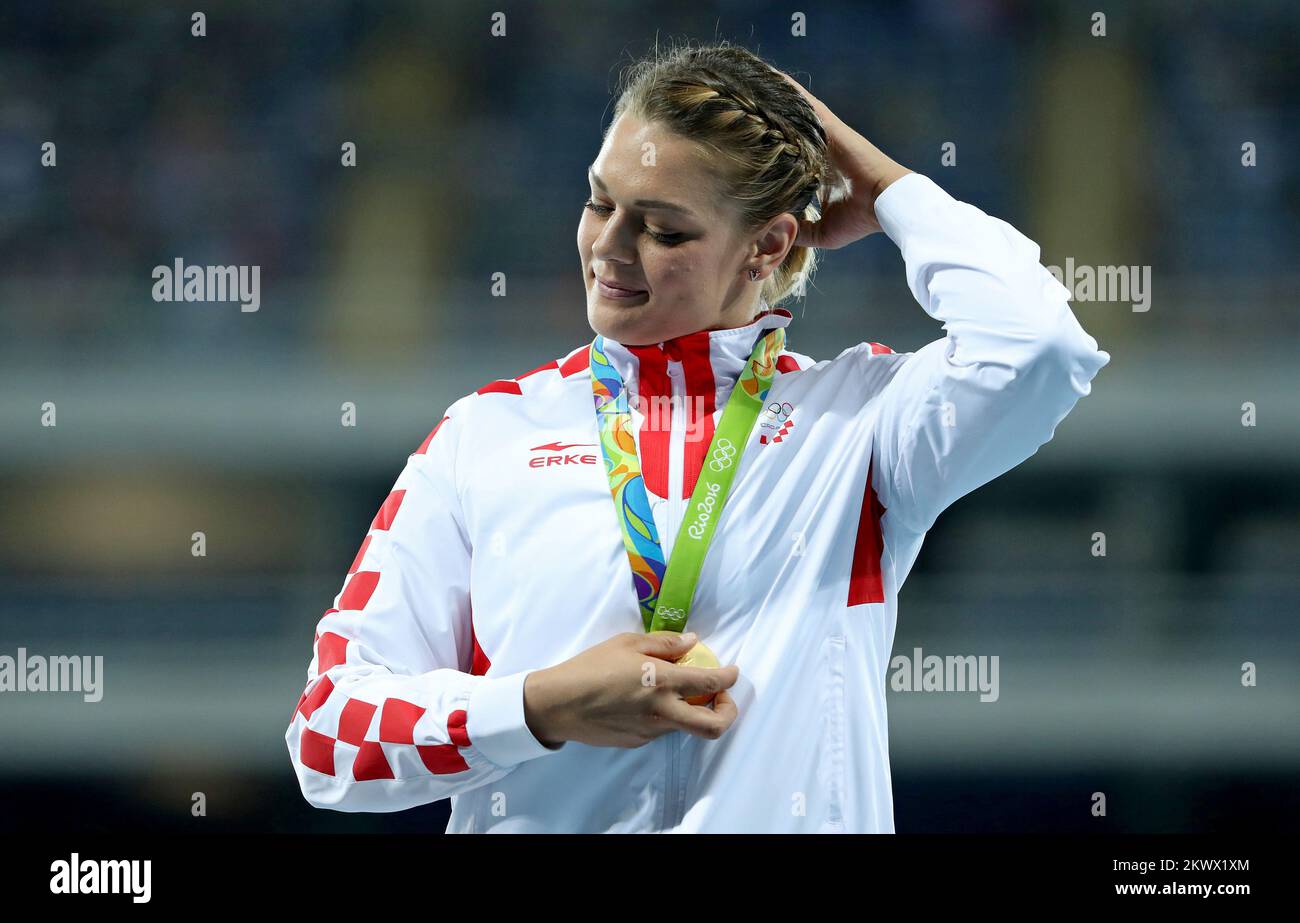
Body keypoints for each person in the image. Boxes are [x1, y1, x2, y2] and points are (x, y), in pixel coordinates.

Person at [285, 40, 1109, 832]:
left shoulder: (860, 426)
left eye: (663, 229)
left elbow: (1039, 348)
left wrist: (888, 187)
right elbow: (327, 739)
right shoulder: (487, 434)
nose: (607, 247)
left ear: (770, 245)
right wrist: (539, 704)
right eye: (598, 200)